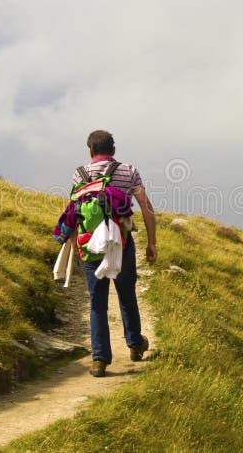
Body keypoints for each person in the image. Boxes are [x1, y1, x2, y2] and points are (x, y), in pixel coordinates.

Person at [71, 130, 157, 378]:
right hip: (121, 242)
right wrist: (152, 243)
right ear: (114, 151)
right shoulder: (128, 171)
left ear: (90, 151)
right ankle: (135, 344)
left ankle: (99, 360)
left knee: (97, 302)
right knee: (126, 293)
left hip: (90, 244)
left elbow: (75, 210)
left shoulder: (80, 174)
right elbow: (146, 208)